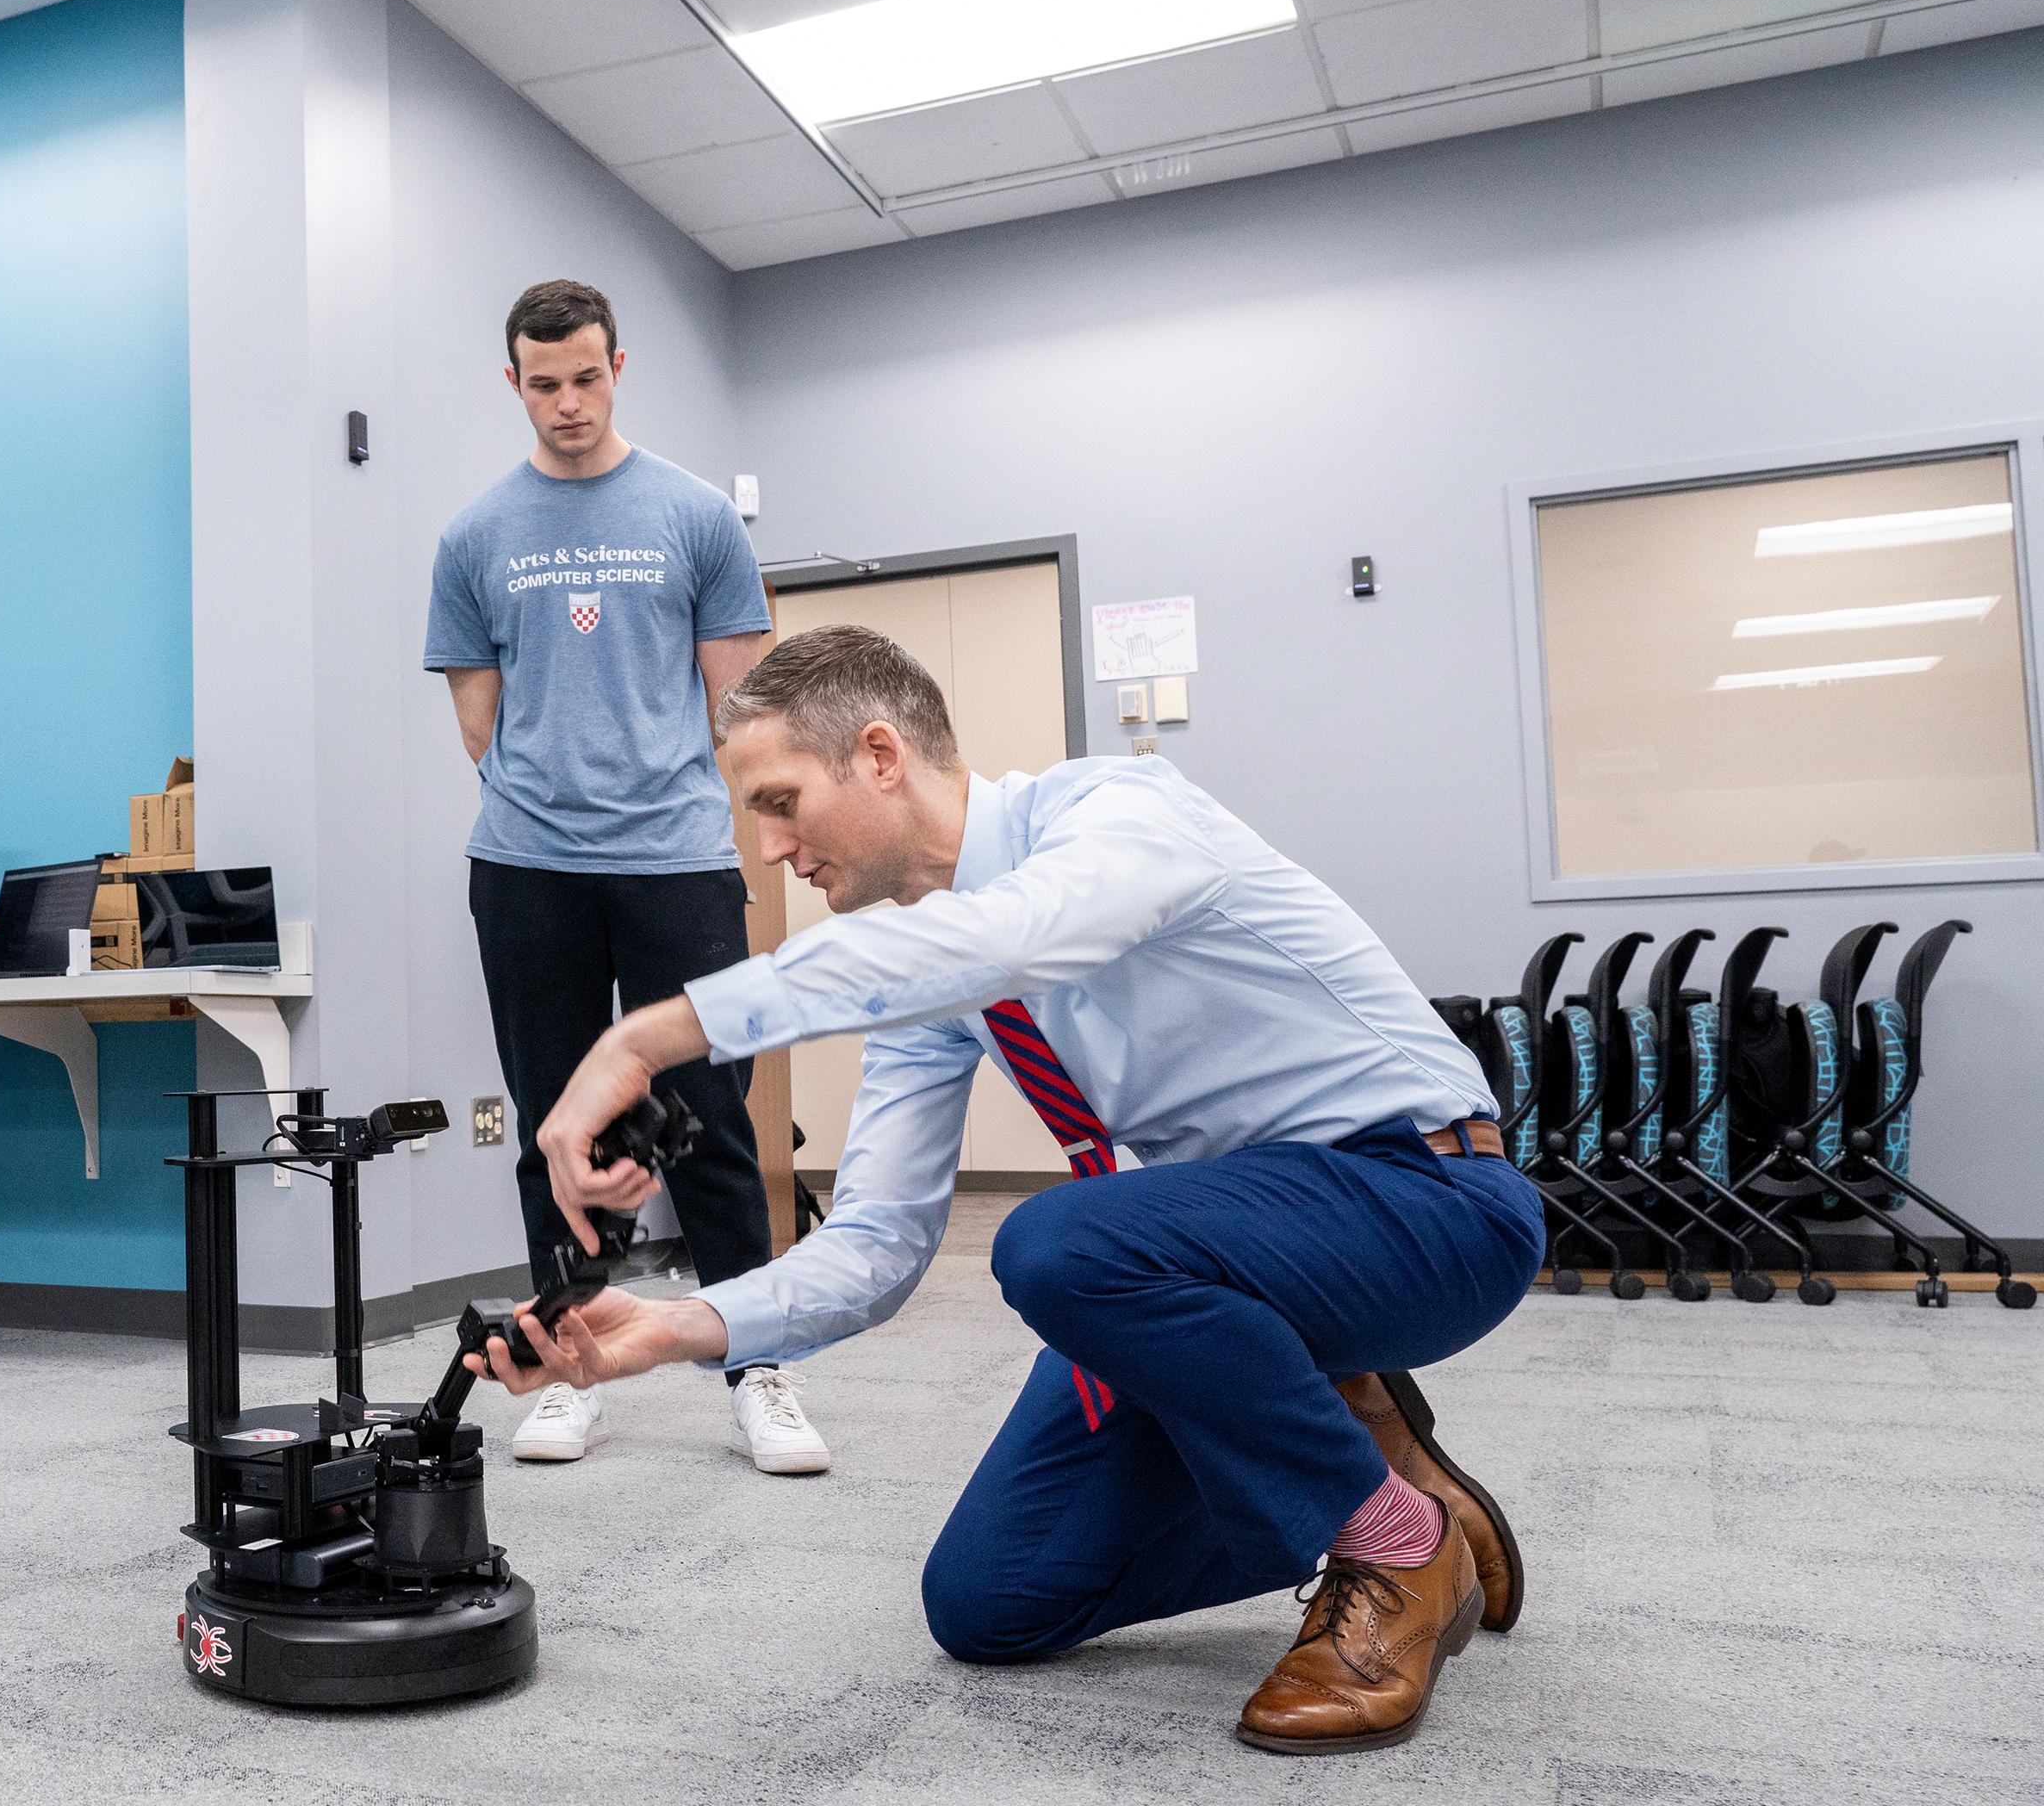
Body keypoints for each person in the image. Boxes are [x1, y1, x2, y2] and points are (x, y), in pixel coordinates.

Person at [474, 624, 1546, 1754]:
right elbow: (874, 1244)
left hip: (1427, 1198)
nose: (774, 848)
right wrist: (674, 1326)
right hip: (1233, 1247)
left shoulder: (1118, 815)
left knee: (1057, 1247)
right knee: (993, 1600)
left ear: (879, 755)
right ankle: (1367, 1467)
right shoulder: (936, 980)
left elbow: (1012, 937)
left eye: (782, 803)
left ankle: (1392, 1545)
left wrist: (645, 1037)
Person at [422, 279, 829, 1474]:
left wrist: (657, 789)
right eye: (544, 384)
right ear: (514, 383)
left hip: (678, 864)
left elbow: (743, 712)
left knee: (711, 1123)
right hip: (527, 868)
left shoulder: (697, 517)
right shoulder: (473, 537)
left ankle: (758, 1368)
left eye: (587, 377)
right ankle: (567, 1365)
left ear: (618, 368)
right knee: (553, 1126)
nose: (568, 402)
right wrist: (558, 791)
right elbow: (479, 724)